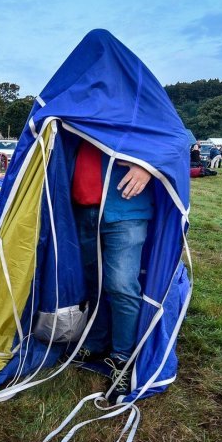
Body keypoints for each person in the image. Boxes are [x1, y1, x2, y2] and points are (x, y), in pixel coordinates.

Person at [72, 139, 154, 402]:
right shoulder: (76, 100)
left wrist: (148, 167)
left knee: (120, 284)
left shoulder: (137, 100)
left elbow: (177, 139)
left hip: (125, 210)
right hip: (81, 209)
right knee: (91, 282)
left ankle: (123, 358)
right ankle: (95, 342)